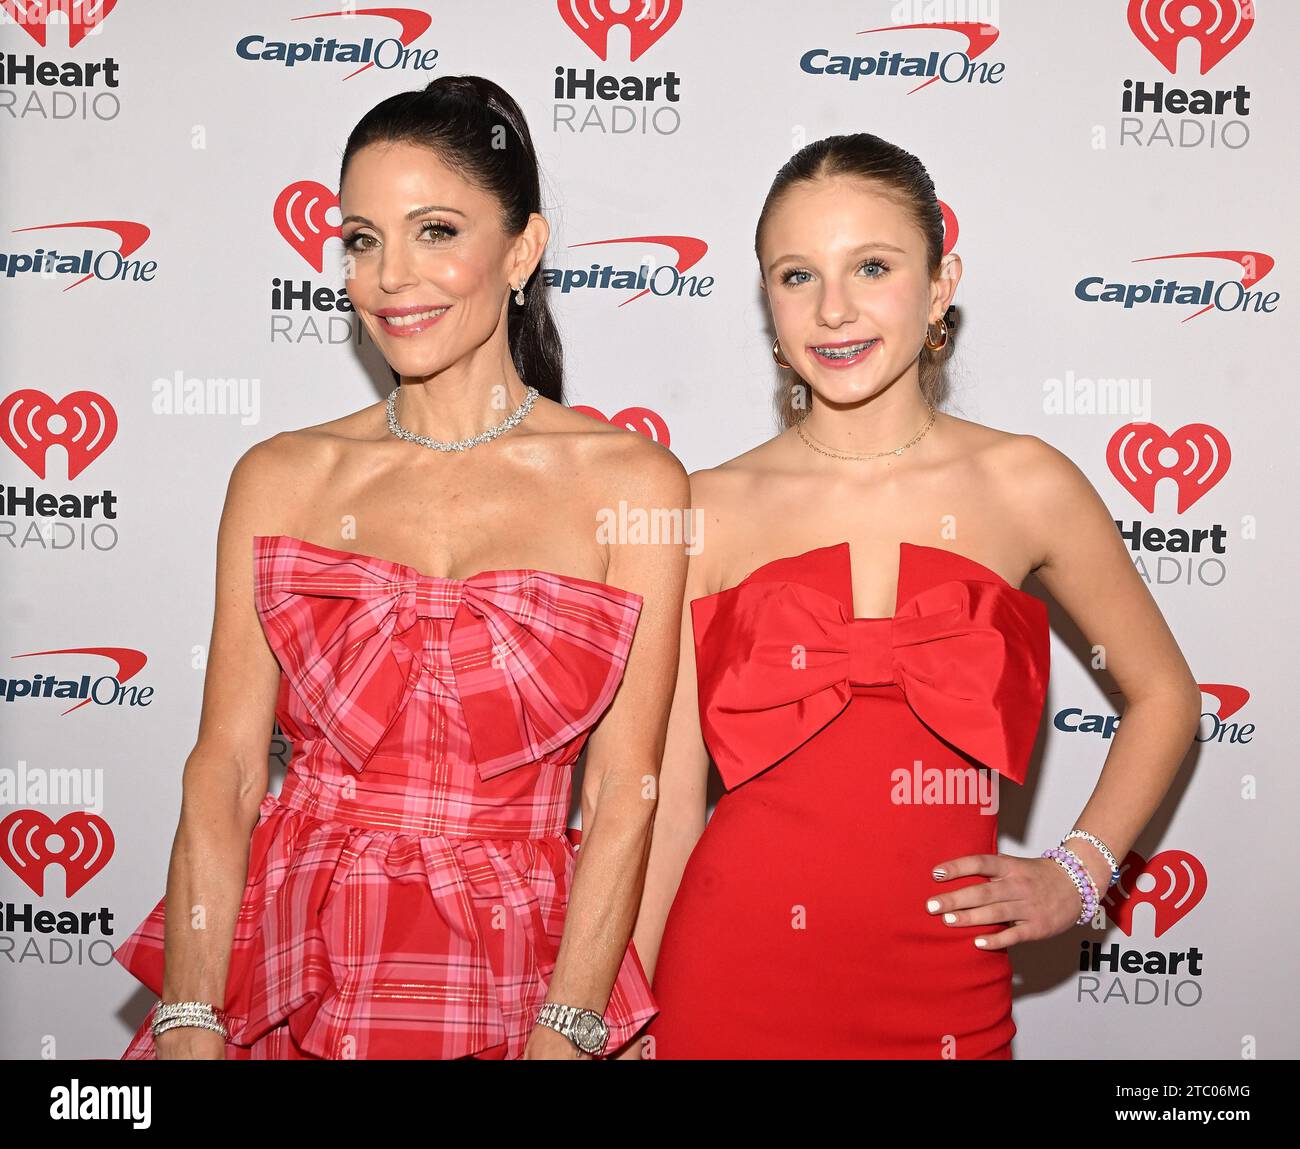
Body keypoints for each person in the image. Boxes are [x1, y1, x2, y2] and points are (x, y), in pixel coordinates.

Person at [112, 75, 686, 1060]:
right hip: (297, 960)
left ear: (523, 250)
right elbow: (229, 771)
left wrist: (570, 1025)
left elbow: (627, 790)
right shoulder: (283, 475)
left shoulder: (633, 483)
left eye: (435, 232)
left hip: (520, 977)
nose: (388, 277)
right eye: (362, 239)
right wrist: (191, 1013)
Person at [632, 132, 1202, 1059]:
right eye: (796, 275)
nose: (834, 309)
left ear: (941, 286)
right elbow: (666, 803)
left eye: (872, 266)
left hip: (947, 984)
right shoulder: (703, 506)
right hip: (730, 979)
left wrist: (1079, 871)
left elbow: (1167, 697)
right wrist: (625, 1014)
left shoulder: (1027, 484)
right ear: (766, 302)